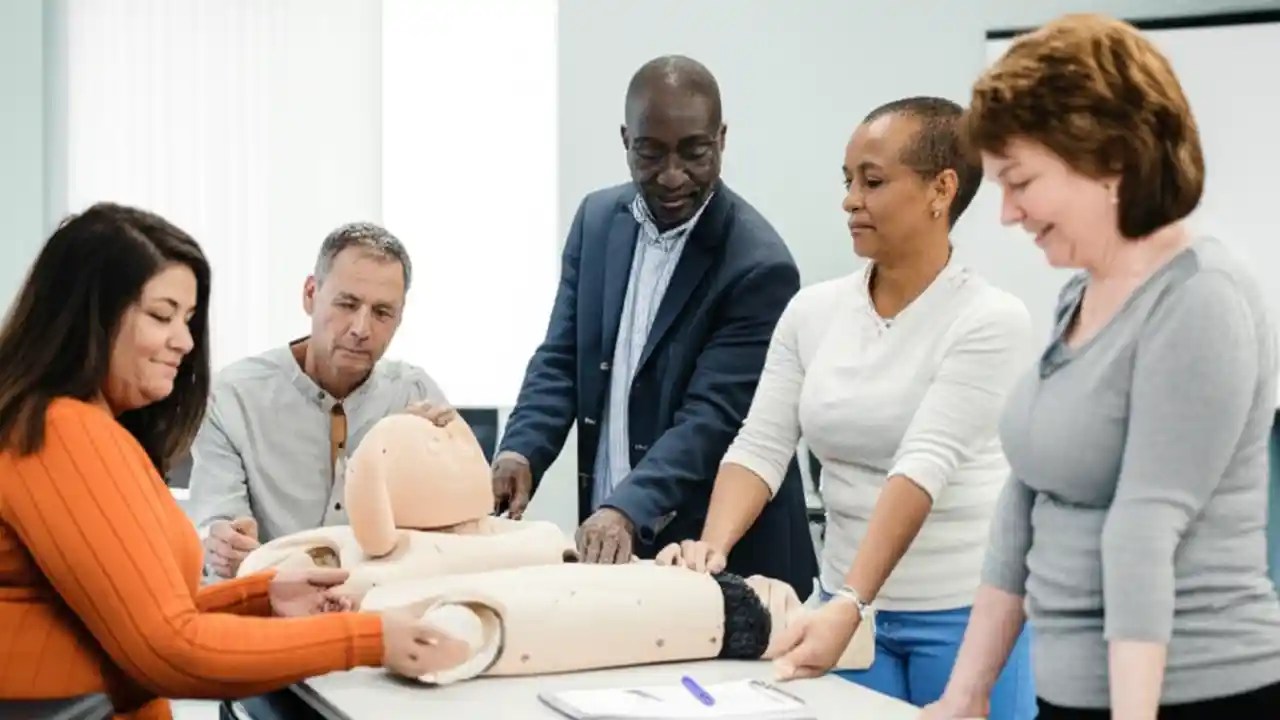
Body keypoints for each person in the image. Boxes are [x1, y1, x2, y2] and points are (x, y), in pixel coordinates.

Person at [921, 14, 1280, 720]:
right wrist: (964, 695)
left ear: (1109, 159)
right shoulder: (1081, 298)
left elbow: (1142, 532)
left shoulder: (1200, 298)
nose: (1007, 214)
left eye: (1020, 182)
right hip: (1075, 693)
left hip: (1191, 695)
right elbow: (1023, 506)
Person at [0, 204, 467, 719]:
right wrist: (370, 637)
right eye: (161, 315)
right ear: (92, 314)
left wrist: (263, 597)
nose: (185, 341)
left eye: (188, 319)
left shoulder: (76, 426)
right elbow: (169, 648)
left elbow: (141, 615)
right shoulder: (65, 433)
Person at [657, 96, 1038, 717]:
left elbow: (923, 463)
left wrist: (852, 601)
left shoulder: (990, 320)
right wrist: (713, 547)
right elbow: (761, 445)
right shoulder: (812, 313)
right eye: (848, 180)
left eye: (873, 181)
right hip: (848, 611)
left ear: (942, 189)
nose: (850, 199)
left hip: (966, 616)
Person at [491, 54, 817, 597]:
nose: (671, 175)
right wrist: (520, 450)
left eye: (694, 152)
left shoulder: (759, 265)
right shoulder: (597, 222)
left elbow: (710, 420)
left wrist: (626, 508)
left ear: (721, 140)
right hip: (614, 543)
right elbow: (562, 356)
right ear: (626, 140)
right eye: (650, 152)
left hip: (723, 562)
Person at [188, 222, 452, 579]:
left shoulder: (415, 396)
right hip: (266, 611)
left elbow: (451, 539)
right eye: (347, 304)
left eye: (382, 312)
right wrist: (222, 544)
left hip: (379, 610)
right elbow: (217, 532)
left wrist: (437, 460)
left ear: (400, 317)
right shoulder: (233, 397)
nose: (361, 329)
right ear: (311, 294)